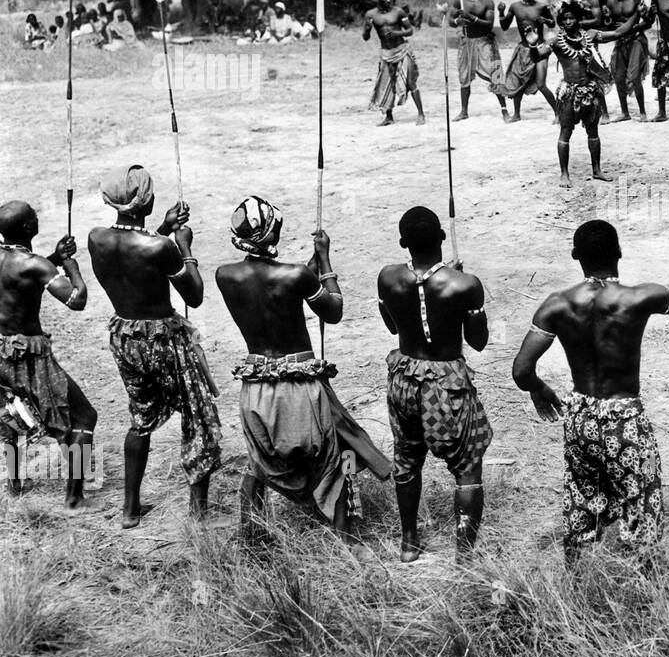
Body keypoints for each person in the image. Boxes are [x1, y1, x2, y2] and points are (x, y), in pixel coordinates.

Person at [511, 207, 669, 564]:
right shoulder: (636, 299)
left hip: (581, 416)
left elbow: (521, 370)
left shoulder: (556, 305)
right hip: (625, 419)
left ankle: (578, 583)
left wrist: (539, 390)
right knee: (640, 507)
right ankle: (641, 589)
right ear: (619, 252)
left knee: (582, 503)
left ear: (576, 256)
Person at [215, 196, 391, 540]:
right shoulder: (295, 275)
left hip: (255, 389)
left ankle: (252, 537)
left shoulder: (225, 276)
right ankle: (349, 539)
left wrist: (308, 270)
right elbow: (334, 310)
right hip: (299, 388)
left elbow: (277, 287)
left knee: (259, 464)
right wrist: (325, 261)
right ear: (272, 234)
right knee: (342, 456)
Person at [87, 166, 221, 527]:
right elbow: (194, 293)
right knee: (198, 416)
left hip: (124, 337)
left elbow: (135, 255)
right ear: (144, 199)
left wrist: (162, 230)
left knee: (140, 419)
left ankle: (130, 509)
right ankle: (199, 514)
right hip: (165, 340)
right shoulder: (161, 247)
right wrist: (184, 246)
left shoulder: (96, 238)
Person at [377, 208, 492, 563]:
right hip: (446, 383)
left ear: (403, 244)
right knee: (468, 464)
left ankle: (409, 542)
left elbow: (392, 326)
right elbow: (479, 341)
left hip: (404, 378)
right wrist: (464, 295)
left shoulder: (387, 278)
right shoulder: (465, 284)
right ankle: (464, 555)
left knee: (407, 459)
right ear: (443, 238)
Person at [0, 201, 95, 507]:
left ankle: (14, 484)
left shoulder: (20, 261)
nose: (38, 218)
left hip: (1, 350)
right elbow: (76, 300)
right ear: (29, 228)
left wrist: (54, 257)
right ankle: (74, 497)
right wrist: (71, 268)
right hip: (29, 356)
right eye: (34, 217)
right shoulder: (35, 264)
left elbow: (20, 278)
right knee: (83, 418)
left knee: (10, 414)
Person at [541, 0, 626, 187]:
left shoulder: (591, 35)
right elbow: (538, 55)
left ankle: (597, 170)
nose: (568, 22)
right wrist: (533, 44)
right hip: (569, 92)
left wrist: (638, 17)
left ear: (578, 19)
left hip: (590, 90)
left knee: (593, 131)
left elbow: (619, 32)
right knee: (565, 132)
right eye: (564, 19)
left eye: (571, 18)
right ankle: (564, 174)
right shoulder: (555, 41)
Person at [364, 0, 426, 127]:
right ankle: (389, 116)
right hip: (386, 53)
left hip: (402, 50)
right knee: (387, 84)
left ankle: (421, 114)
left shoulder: (398, 12)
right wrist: (367, 29)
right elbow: (365, 37)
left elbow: (410, 30)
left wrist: (396, 33)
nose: (388, 0)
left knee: (411, 83)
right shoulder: (371, 15)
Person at [497, 0, 558, 121]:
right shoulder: (515, 7)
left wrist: (545, 21)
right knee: (517, 82)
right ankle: (517, 115)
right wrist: (500, 12)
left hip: (540, 49)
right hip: (524, 49)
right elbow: (505, 26)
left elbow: (552, 22)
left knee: (541, 84)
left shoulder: (541, 7)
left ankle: (558, 113)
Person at [451, 0, 506, 121]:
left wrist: (471, 17)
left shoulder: (487, 2)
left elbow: (488, 26)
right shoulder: (459, 0)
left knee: (495, 75)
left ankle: (504, 110)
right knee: (464, 76)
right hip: (466, 41)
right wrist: (458, 21)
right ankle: (463, 111)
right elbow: (450, 19)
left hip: (484, 42)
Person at [604, 0, 649, 122]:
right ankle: (625, 112)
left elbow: (648, 22)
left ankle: (642, 112)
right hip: (620, 41)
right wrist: (608, 19)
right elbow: (609, 26)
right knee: (618, 77)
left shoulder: (636, 0)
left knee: (635, 76)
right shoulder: (610, 2)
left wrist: (633, 27)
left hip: (635, 40)